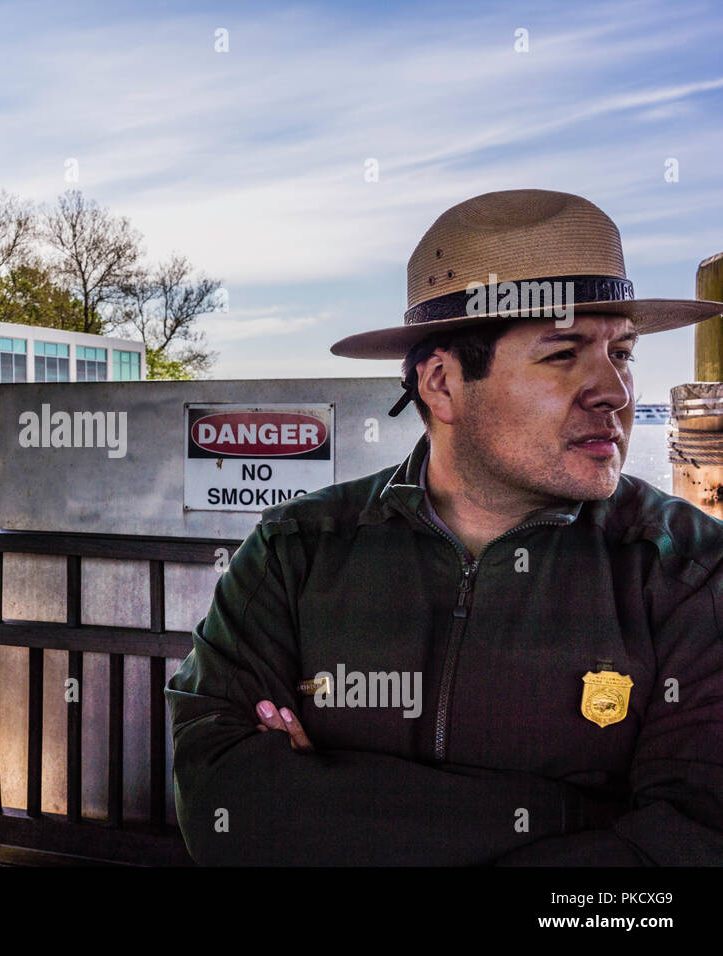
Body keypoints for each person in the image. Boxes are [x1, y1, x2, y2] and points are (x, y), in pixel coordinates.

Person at [166, 189, 723, 866]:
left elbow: (682, 854)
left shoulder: (688, 568)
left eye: (623, 353)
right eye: (563, 353)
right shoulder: (295, 550)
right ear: (441, 383)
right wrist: (579, 818)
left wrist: (330, 804)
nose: (617, 391)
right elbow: (224, 806)